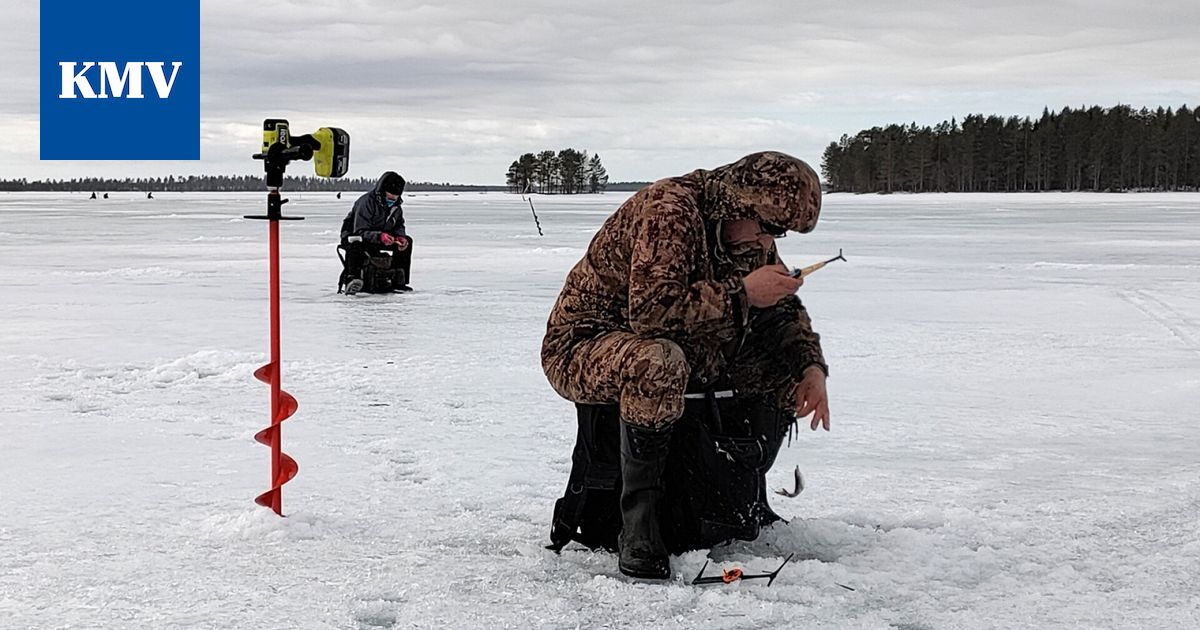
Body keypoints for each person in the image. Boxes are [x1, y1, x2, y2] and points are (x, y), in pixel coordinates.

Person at [541, 151, 830, 580]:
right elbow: (651, 314)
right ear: (738, 204)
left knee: (777, 361)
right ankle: (640, 531)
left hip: (669, 342)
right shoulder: (670, 210)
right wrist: (742, 294)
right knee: (658, 362)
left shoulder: (744, 234)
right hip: (584, 345)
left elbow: (781, 312)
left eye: (778, 234)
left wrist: (810, 368)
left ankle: (748, 501)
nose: (767, 244)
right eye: (766, 229)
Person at [339, 171, 413, 294]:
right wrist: (379, 237)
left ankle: (400, 281)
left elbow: (399, 224)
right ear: (382, 192)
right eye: (389, 198)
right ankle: (353, 279)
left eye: (395, 198)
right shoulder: (366, 202)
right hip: (356, 236)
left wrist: (400, 237)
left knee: (407, 242)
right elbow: (360, 231)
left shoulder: (396, 207)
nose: (392, 201)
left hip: (382, 237)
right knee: (356, 243)